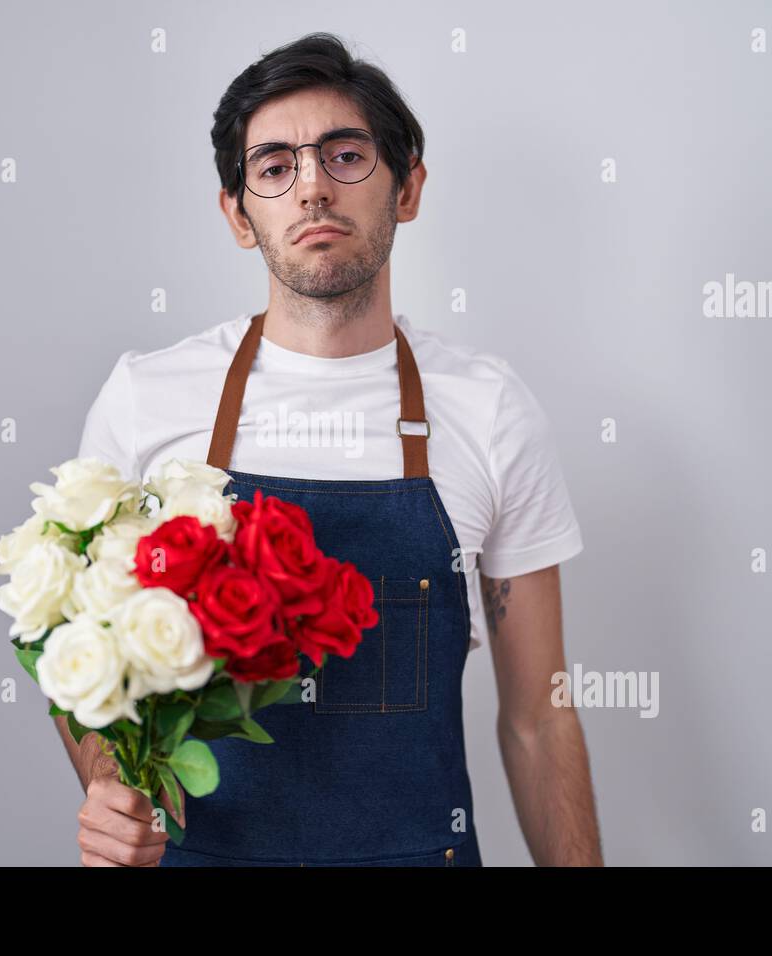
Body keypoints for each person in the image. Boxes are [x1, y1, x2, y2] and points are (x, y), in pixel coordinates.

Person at [56, 32, 602, 867]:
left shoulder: (489, 410)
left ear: (407, 187)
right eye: (274, 166)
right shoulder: (147, 398)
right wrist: (106, 785)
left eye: (345, 155)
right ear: (239, 213)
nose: (310, 186)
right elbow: (74, 651)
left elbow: (539, 715)